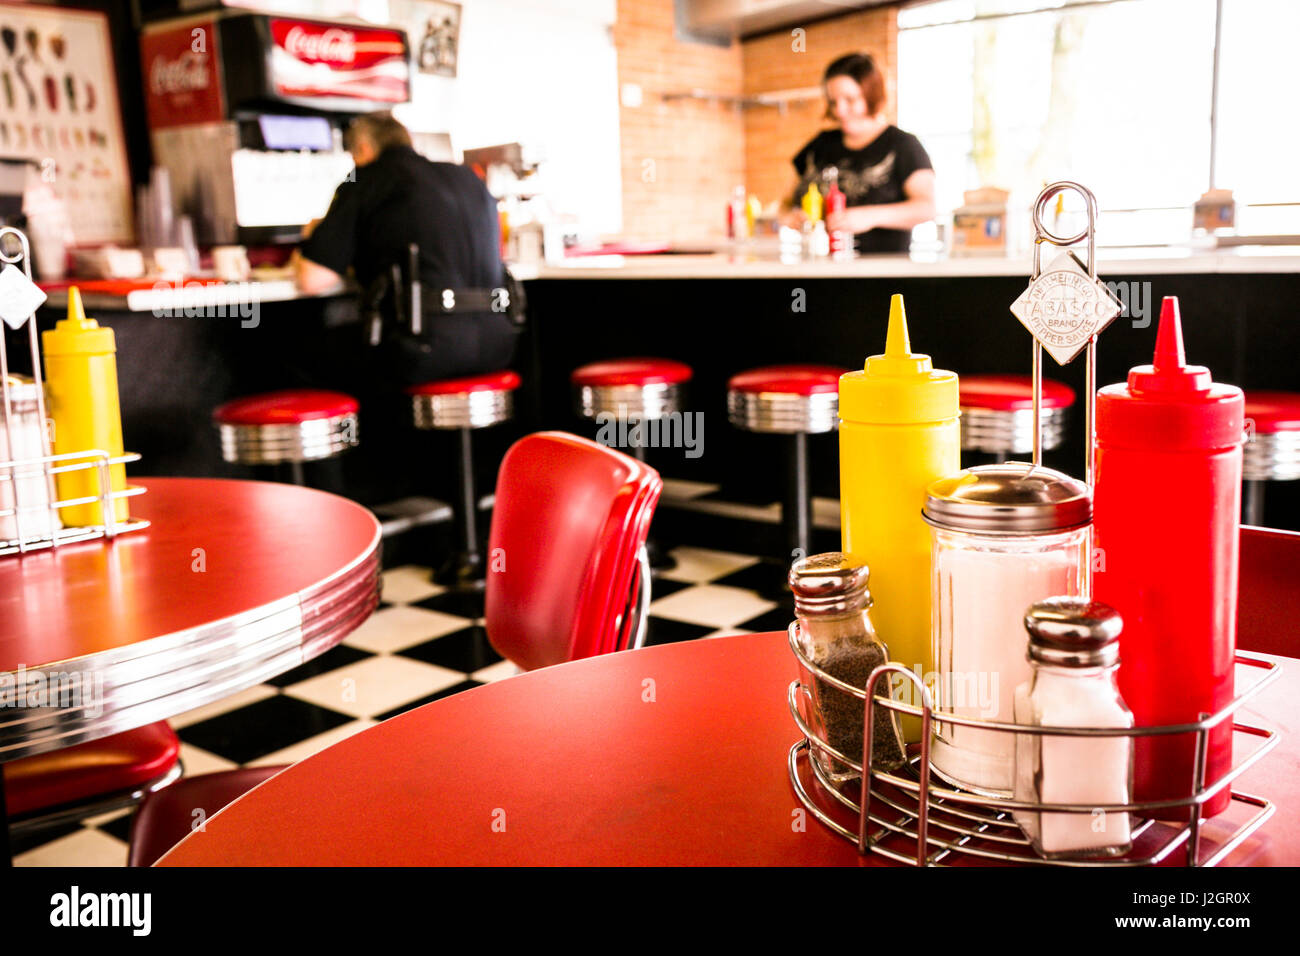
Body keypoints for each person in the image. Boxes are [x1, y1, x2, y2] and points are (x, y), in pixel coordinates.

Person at [294, 111, 517, 385]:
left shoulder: (366, 179)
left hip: (424, 349)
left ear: (363, 148)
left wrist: (310, 235)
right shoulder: (467, 178)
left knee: (297, 348)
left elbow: (313, 279)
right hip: (499, 344)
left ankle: (372, 429)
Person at [783, 53, 936, 254]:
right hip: (820, 271)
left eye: (850, 99)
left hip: (881, 276)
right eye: (833, 102)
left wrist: (871, 216)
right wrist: (790, 216)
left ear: (871, 94)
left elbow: (926, 208)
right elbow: (785, 203)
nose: (839, 110)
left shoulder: (902, 145)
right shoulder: (819, 145)